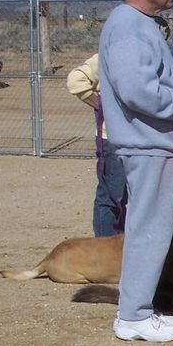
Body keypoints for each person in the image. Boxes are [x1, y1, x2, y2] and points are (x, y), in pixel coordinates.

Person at [98, 0, 173, 343]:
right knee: (149, 228)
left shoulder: (136, 24)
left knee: (150, 226)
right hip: (146, 145)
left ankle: (137, 307)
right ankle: (135, 314)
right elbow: (137, 89)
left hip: (151, 143)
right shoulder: (129, 27)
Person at [67, 54, 127, 237]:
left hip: (138, 140)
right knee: (111, 197)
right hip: (112, 140)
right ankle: (103, 248)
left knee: (125, 197)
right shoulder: (107, 56)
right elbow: (75, 81)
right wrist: (104, 108)